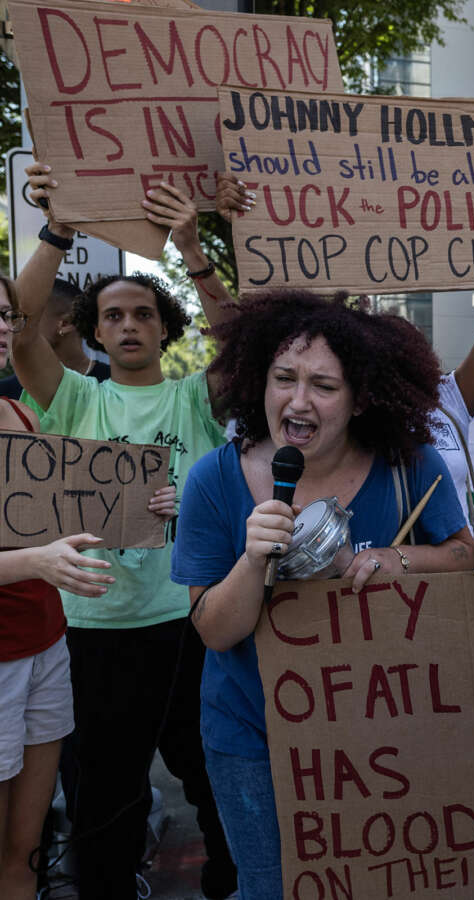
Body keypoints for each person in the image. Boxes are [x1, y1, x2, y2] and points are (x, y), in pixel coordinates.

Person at [172, 290, 473, 900]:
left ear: (360, 398)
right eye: (283, 378)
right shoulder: (212, 479)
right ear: (259, 382)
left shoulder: (411, 465)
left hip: (383, 730)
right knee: (271, 888)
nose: (298, 401)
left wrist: (393, 559)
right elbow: (215, 632)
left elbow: (463, 556)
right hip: (250, 737)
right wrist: (253, 560)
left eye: (324, 386)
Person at [14, 165, 242, 900]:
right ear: (93, 331)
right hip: (95, 629)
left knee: (212, 775)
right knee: (106, 794)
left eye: (143, 313)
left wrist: (193, 250)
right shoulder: (73, 400)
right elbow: (20, 331)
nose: (129, 325)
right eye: (113, 316)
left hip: (186, 625)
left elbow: (244, 349)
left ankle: (234, 884)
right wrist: (56, 231)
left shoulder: (193, 400)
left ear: (165, 326)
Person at [228, 184, 474, 522]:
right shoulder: (339, 415)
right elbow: (249, 332)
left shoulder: (449, 400)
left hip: (452, 554)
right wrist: (246, 226)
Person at [0, 274, 117, 900]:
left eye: (5, 315)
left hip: (46, 645)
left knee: (25, 852)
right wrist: (35, 563)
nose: (2, 328)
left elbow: (65, 511)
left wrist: (143, 507)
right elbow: (38, 551)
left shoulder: (21, 412)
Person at [0, 278, 109, 399]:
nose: (14, 325)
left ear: (66, 323)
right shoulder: (5, 391)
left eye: (31, 319)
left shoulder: (114, 384)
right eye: (14, 317)